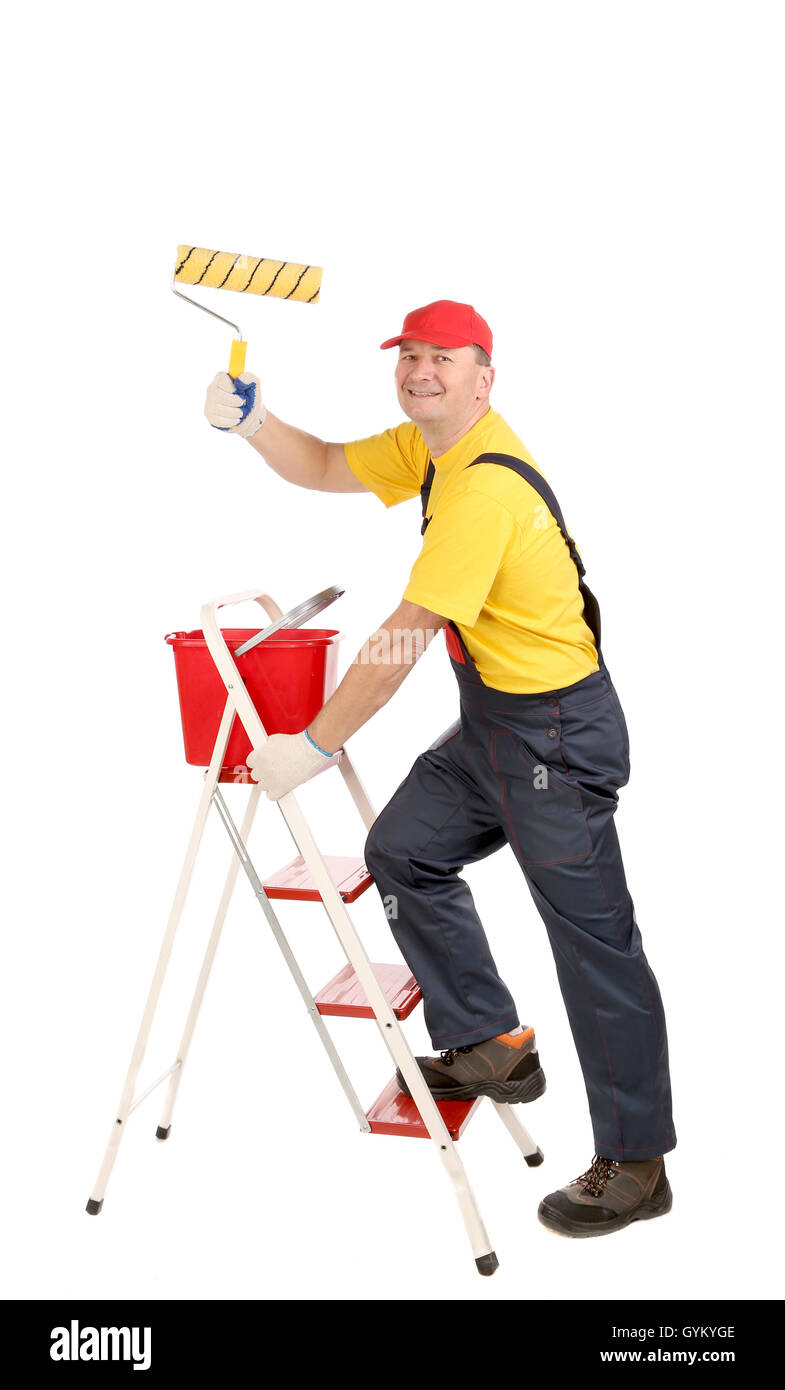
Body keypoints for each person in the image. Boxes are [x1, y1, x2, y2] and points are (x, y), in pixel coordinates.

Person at [203, 299, 676, 1238]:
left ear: (483, 376)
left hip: (556, 736)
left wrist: (313, 744)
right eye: (409, 356)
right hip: (495, 721)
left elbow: (401, 641)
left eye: (442, 360)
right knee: (405, 850)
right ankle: (489, 1041)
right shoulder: (436, 447)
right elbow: (331, 465)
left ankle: (636, 1162)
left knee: (593, 946)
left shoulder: (482, 491)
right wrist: (257, 425)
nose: (421, 372)